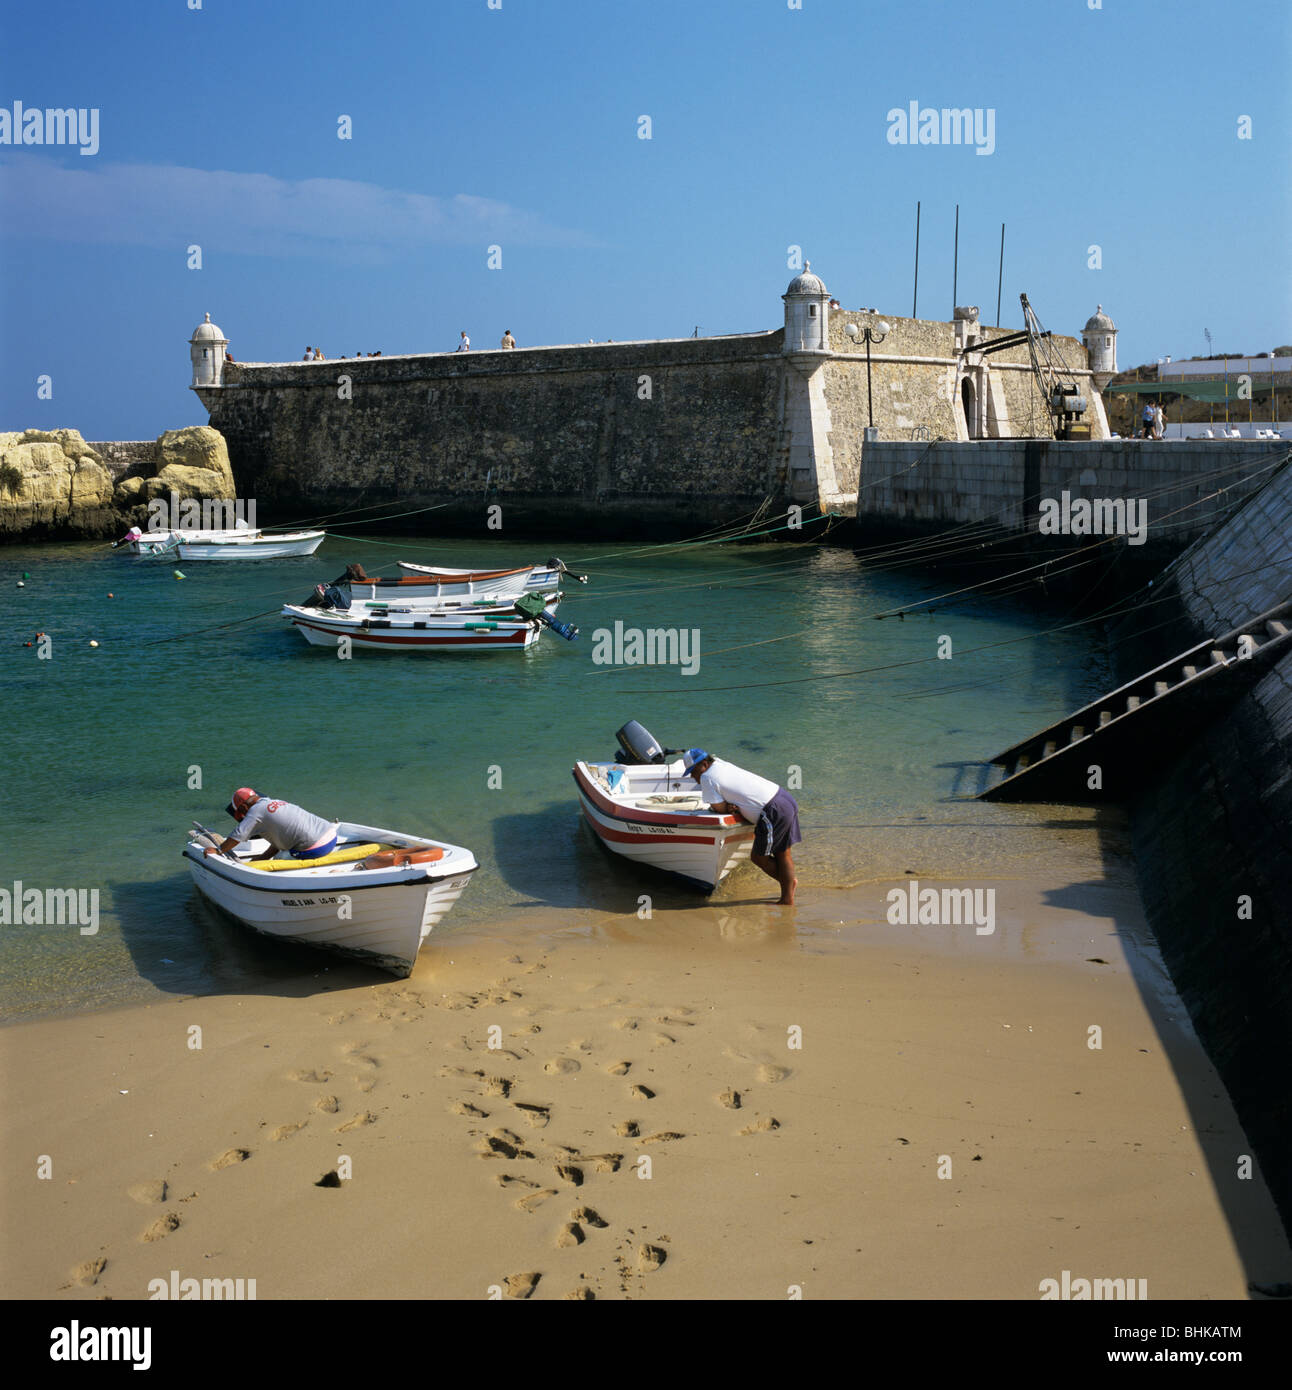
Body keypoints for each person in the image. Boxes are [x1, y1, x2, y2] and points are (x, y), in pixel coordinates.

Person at [683, 750, 800, 905]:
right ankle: (788, 891)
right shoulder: (720, 763)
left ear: (704, 764)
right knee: (782, 854)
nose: (693, 777)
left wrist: (728, 807)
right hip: (784, 797)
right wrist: (728, 805)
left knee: (759, 857)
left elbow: (719, 808)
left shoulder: (706, 777)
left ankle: (787, 893)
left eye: (693, 772)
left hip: (771, 810)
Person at [203, 788, 338, 862]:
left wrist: (219, 850)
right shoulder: (274, 802)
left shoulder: (255, 812)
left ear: (244, 807)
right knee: (281, 851)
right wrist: (262, 858)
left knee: (280, 859)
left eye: (241, 813)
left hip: (315, 848)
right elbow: (279, 842)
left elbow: (237, 836)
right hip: (331, 836)